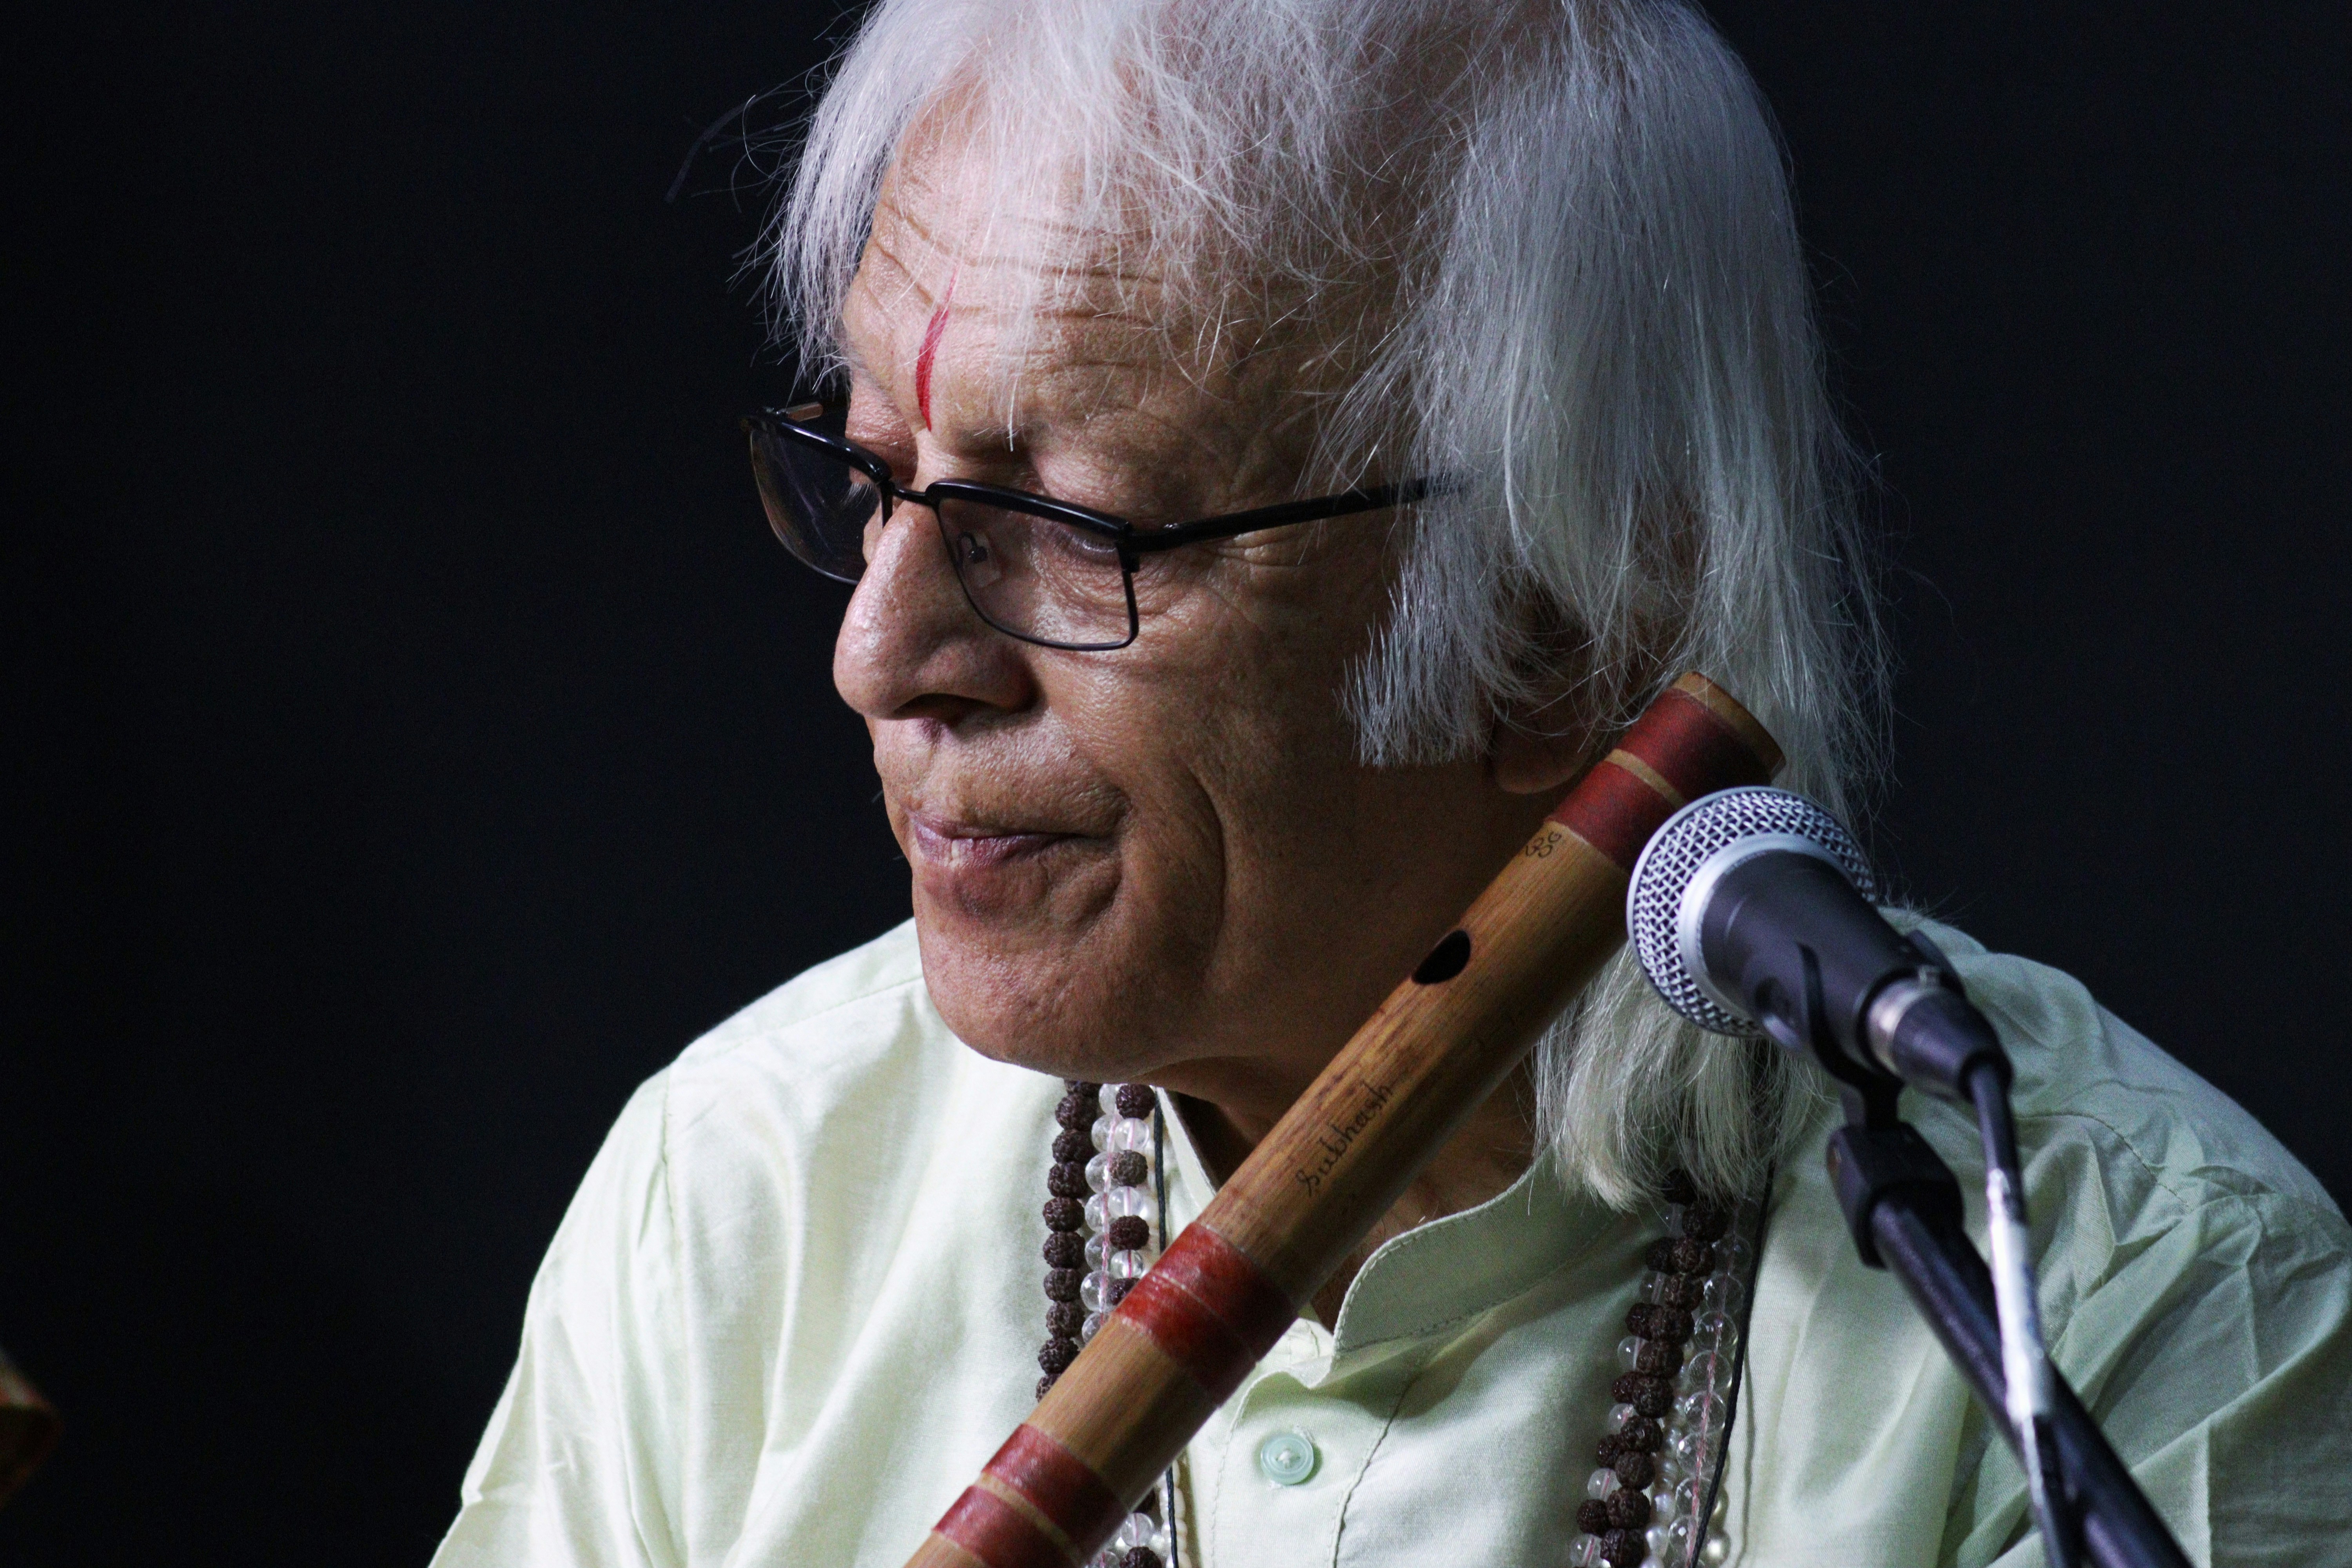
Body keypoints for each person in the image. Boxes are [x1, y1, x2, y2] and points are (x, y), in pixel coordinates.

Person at [428, 2, 2352, 1564]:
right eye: (873, 477)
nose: (881, 655)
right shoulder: (742, 1206)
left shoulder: (2140, 1305)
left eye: (1070, 526)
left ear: (1562, 625)